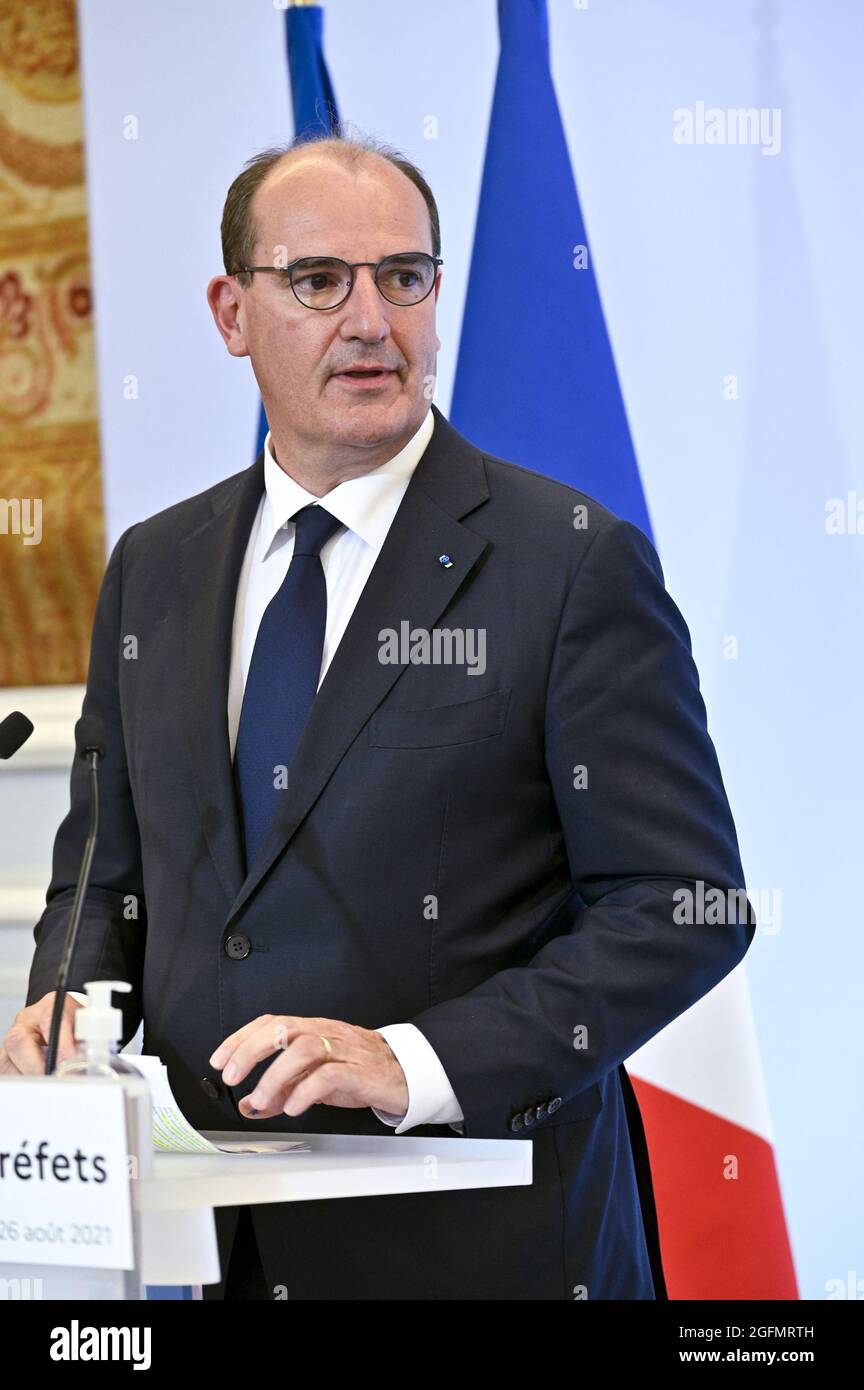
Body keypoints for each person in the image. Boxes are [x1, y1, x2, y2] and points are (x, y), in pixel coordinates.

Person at [5, 131, 754, 1300]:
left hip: (484, 1249)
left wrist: (415, 1062)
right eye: (319, 281)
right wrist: (67, 997)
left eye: (403, 277)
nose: (371, 320)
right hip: (215, 1253)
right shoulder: (154, 568)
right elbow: (105, 874)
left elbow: (683, 908)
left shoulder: (567, 566)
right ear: (230, 311)